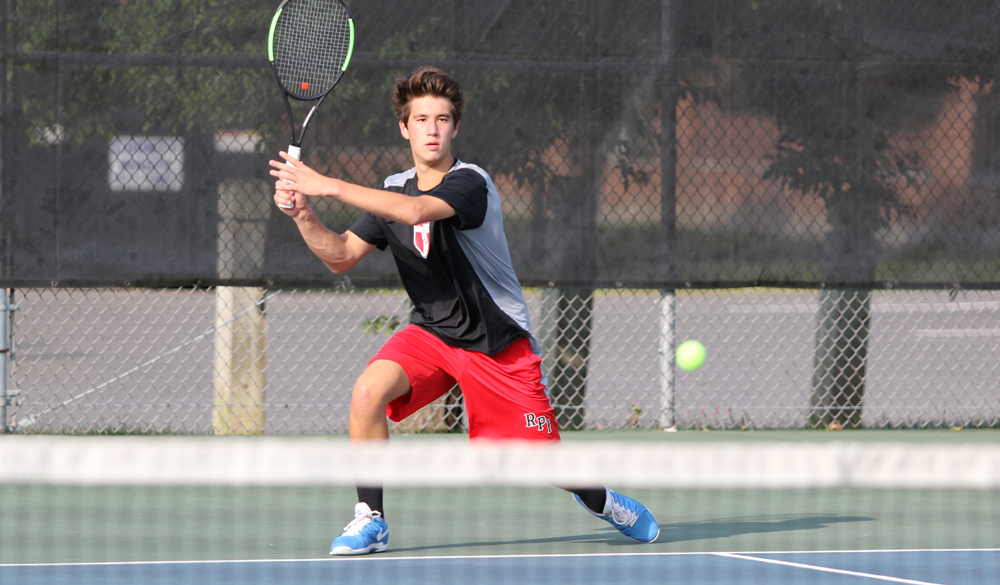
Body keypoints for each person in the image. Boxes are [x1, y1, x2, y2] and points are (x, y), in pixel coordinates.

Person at [269, 67, 659, 555]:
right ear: (404, 128)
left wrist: (325, 184)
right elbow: (341, 255)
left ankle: (603, 500)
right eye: (421, 119)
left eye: (442, 119)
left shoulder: (471, 183)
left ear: (455, 127)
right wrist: (304, 214)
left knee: (538, 460)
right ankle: (371, 518)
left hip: (496, 343)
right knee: (367, 392)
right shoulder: (393, 188)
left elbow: (416, 212)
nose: (432, 129)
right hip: (432, 335)